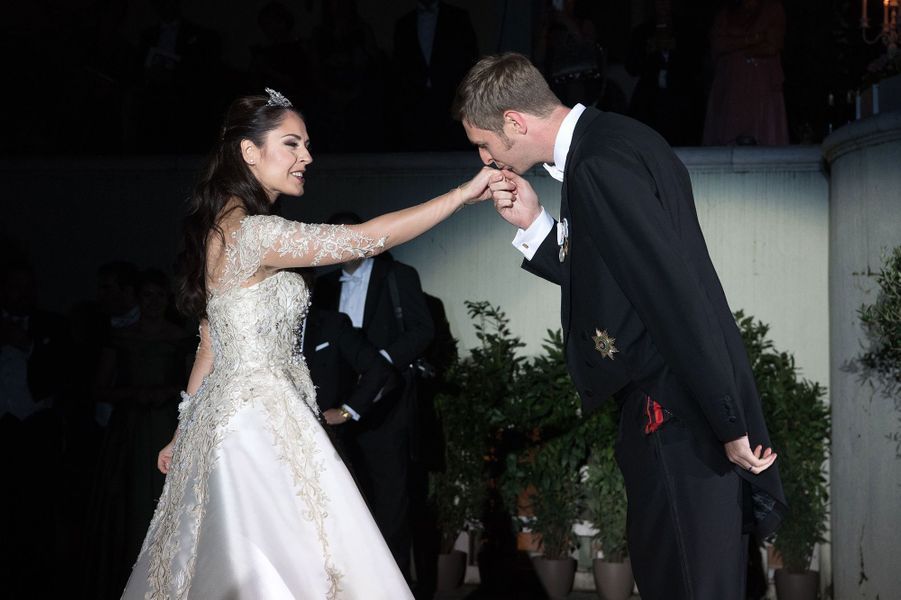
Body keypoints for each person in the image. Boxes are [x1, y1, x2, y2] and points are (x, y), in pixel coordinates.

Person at [120, 88, 495, 599]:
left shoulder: (219, 230)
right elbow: (368, 238)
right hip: (257, 429)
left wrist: (184, 429)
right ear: (249, 153)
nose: (307, 157)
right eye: (292, 144)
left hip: (229, 423)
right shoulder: (254, 234)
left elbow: (211, 343)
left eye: (307, 144)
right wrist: (459, 196)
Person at [453, 53, 786, 600]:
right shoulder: (621, 139)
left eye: (484, 144)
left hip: (675, 414)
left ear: (515, 121)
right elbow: (616, 282)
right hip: (687, 409)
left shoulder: (597, 166)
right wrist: (537, 226)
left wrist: (728, 422)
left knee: (684, 583)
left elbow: (674, 298)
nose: (487, 160)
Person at [313, 213, 435, 580]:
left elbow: (422, 330)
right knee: (341, 498)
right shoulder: (324, 285)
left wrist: (378, 362)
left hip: (386, 402)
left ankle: (391, 584)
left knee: (391, 500)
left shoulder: (398, 276)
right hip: (336, 402)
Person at [702, 0, 789, 146]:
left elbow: (772, 45)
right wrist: (754, 39)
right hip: (731, 94)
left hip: (762, 94)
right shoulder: (726, 14)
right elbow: (719, 43)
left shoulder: (773, 9)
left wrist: (739, 48)